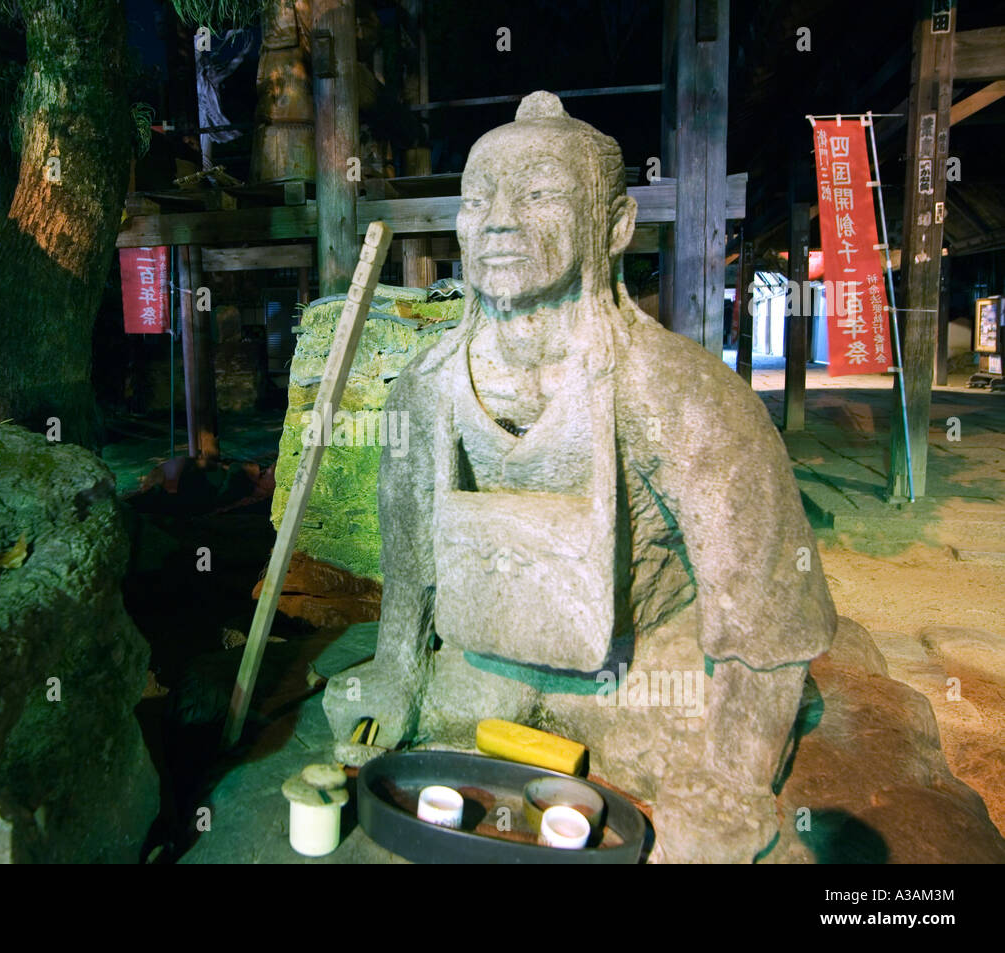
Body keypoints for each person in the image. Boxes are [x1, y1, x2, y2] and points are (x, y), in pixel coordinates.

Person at [324, 91, 837, 862]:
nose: (498, 221)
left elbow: (769, 606)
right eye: (477, 199)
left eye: (539, 194)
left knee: (677, 747)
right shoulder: (427, 388)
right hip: (490, 655)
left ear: (616, 225)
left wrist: (732, 774)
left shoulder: (678, 395)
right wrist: (398, 669)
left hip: (643, 657)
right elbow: (410, 561)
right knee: (433, 716)